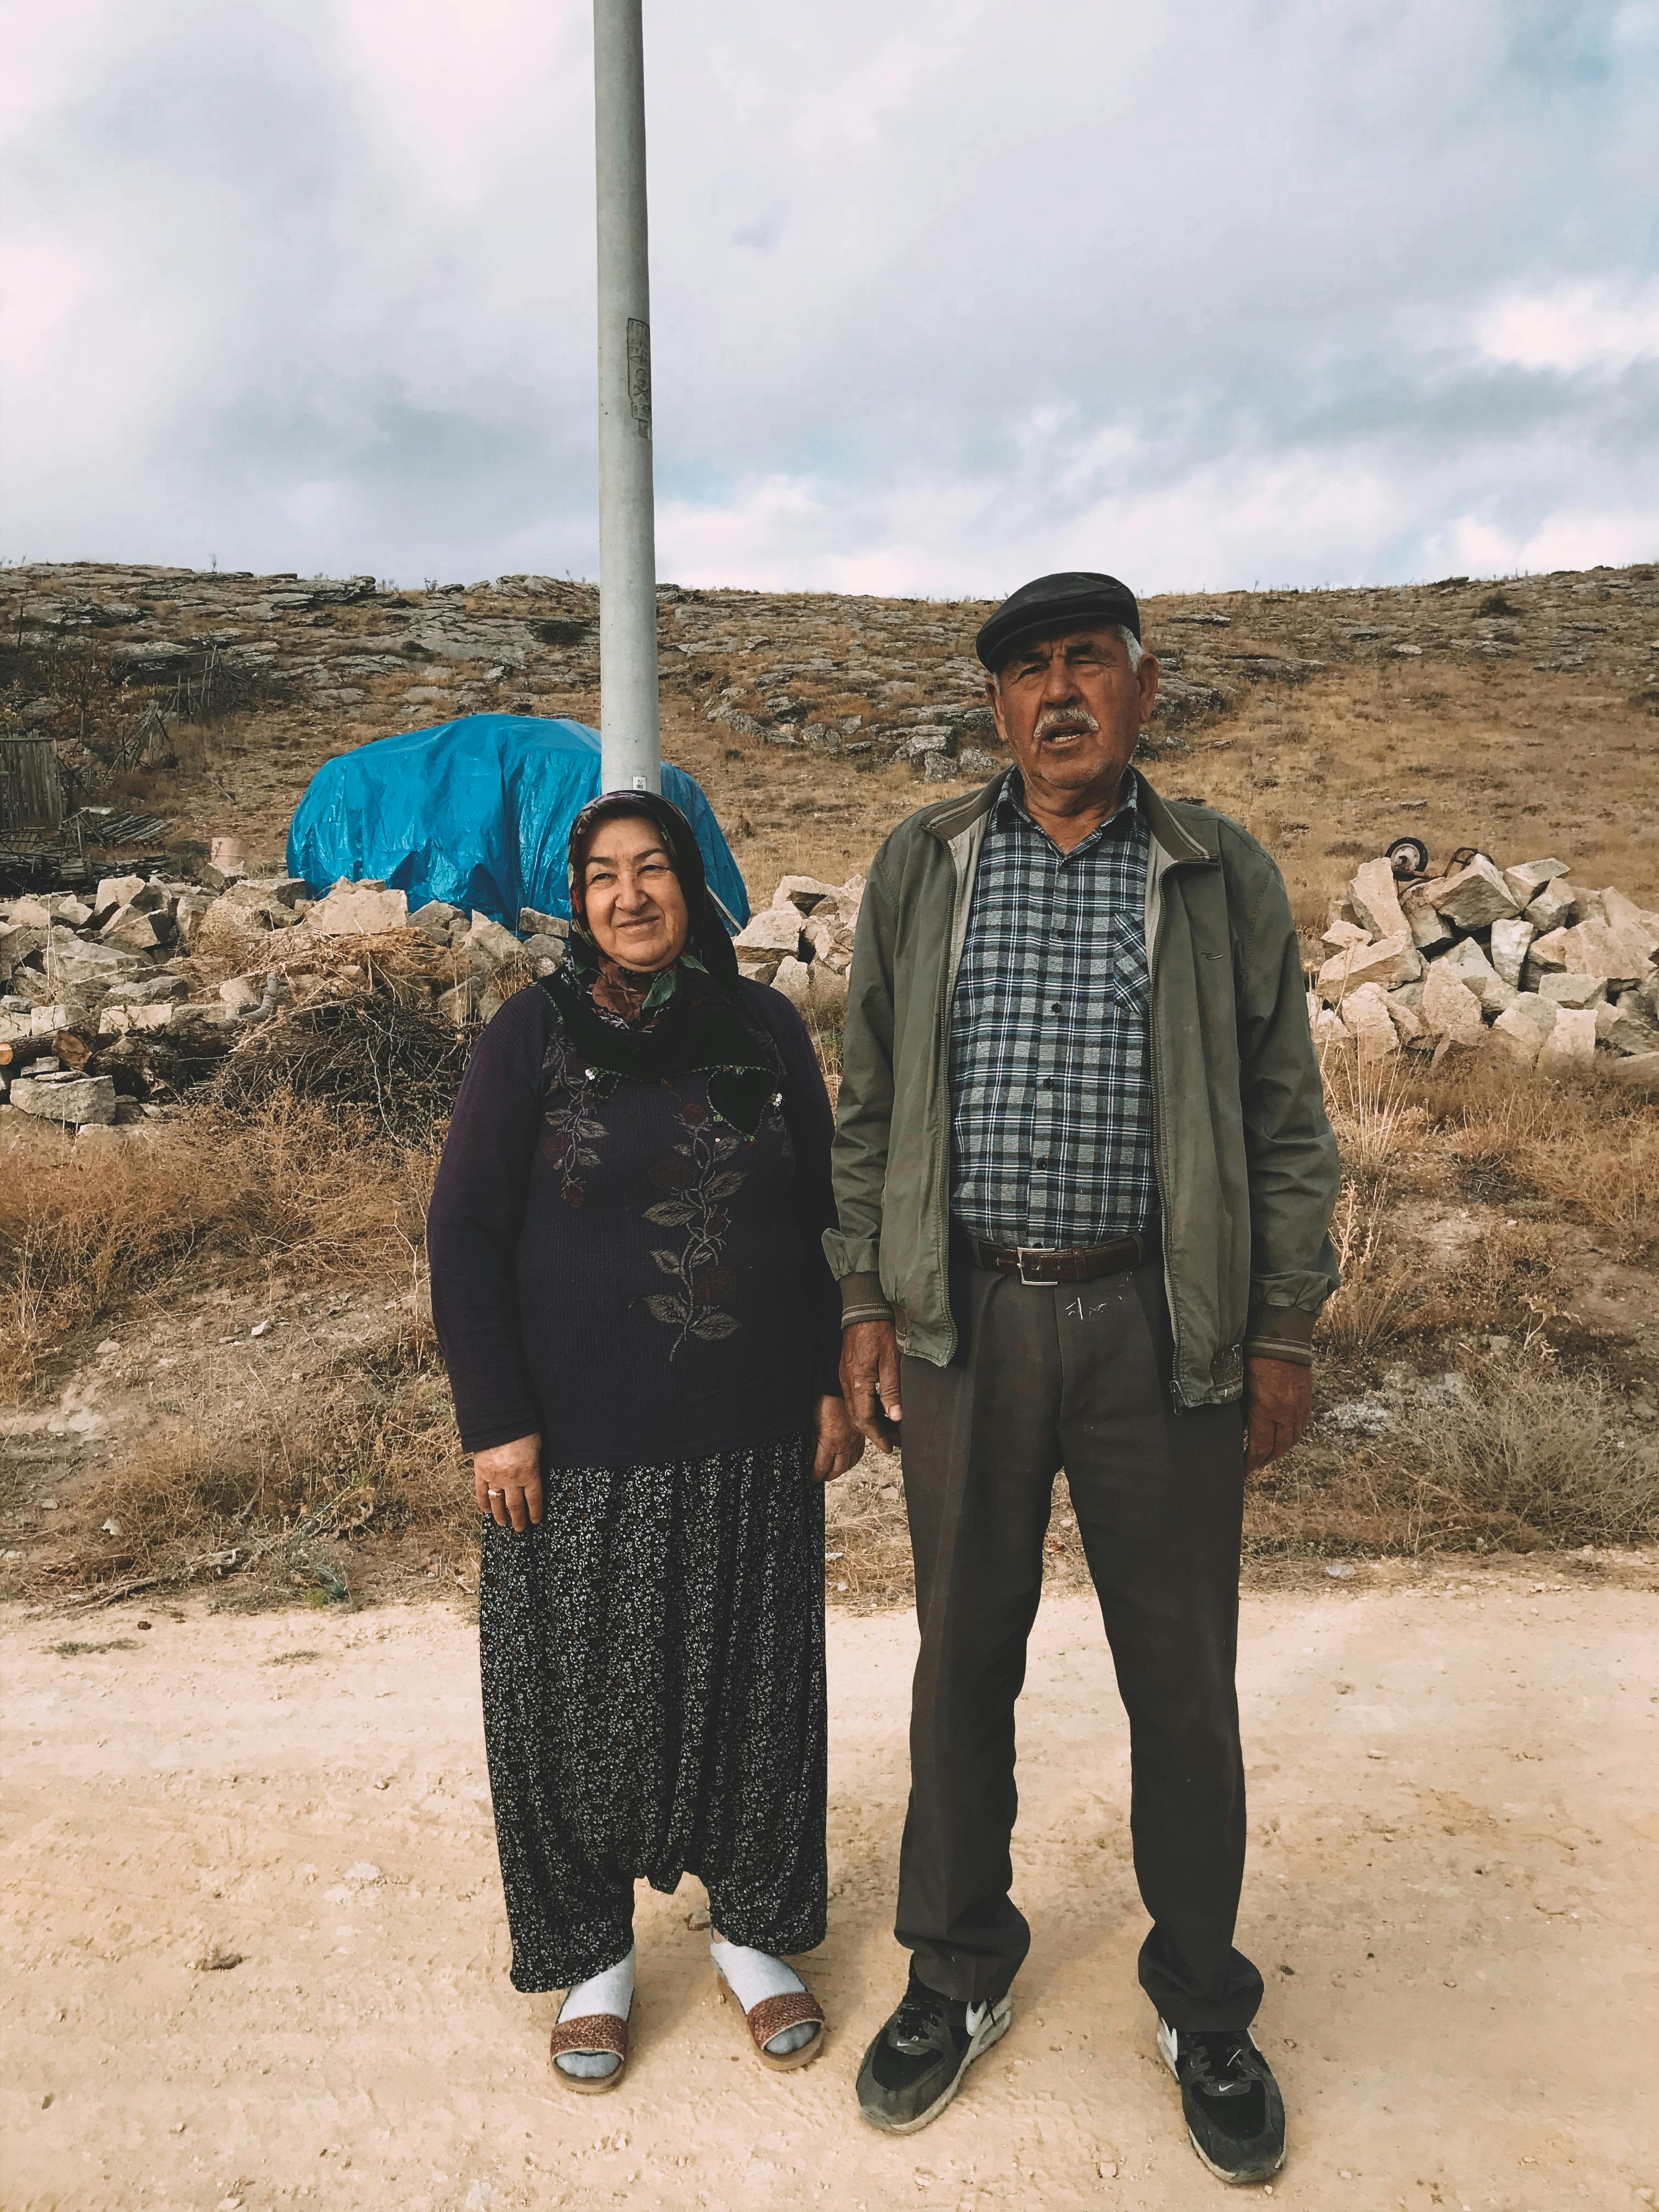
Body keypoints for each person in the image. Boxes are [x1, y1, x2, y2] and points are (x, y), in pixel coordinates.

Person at [827, 571, 1340, 2182]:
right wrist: (865, 1296)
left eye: (1088, 665)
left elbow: (1285, 1126)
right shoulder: (926, 863)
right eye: (1029, 671)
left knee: (1181, 1682)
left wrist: (1279, 1331)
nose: (1059, 694)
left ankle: (1202, 1999)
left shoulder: (1216, 872)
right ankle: (956, 1967)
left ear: (1141, 687)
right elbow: (869, 1100)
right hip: (967, 1324)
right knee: (962, 1659)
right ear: (997, 709)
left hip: (1156, 1328)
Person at [427, 790, 862, 2092]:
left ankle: (756, 1934)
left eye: (654, 870)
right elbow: (464, 1232)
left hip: (749, 1435)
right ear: (577, 899)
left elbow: (824, 1213)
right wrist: (496, 1421)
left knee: (756, 1692)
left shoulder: (764, 1027)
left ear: (694, 886)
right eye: (604, 875)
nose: (630, 896)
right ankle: (591, 1953)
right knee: (573, 1708)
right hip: (575, 1448)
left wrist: (833, 1379)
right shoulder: (533, 1033)